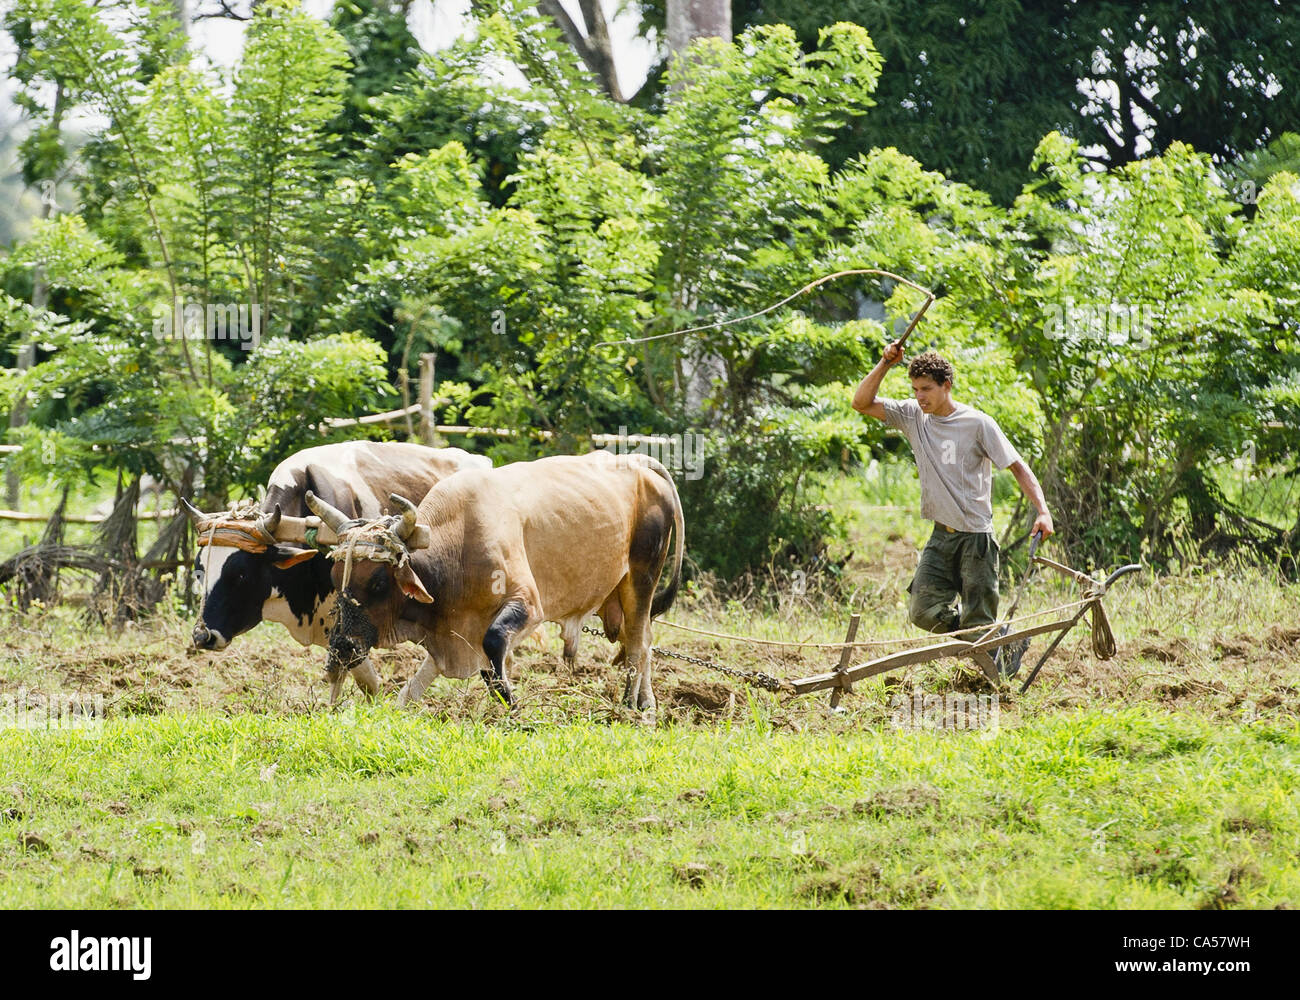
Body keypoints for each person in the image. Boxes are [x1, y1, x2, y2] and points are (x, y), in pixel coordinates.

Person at [851, 340, 1054, 676]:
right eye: (915, 389)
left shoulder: (978, 423)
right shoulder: (913, 416)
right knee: (921, 611)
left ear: (947, 386)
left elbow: (1018, 467)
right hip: (940, 537)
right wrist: (886, 363)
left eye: (927, 389)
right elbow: (861, 402)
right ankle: (992, 638)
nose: (920, 396)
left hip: (976, 539)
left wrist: (1042, 511)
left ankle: (999, 683)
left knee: (979, 627)